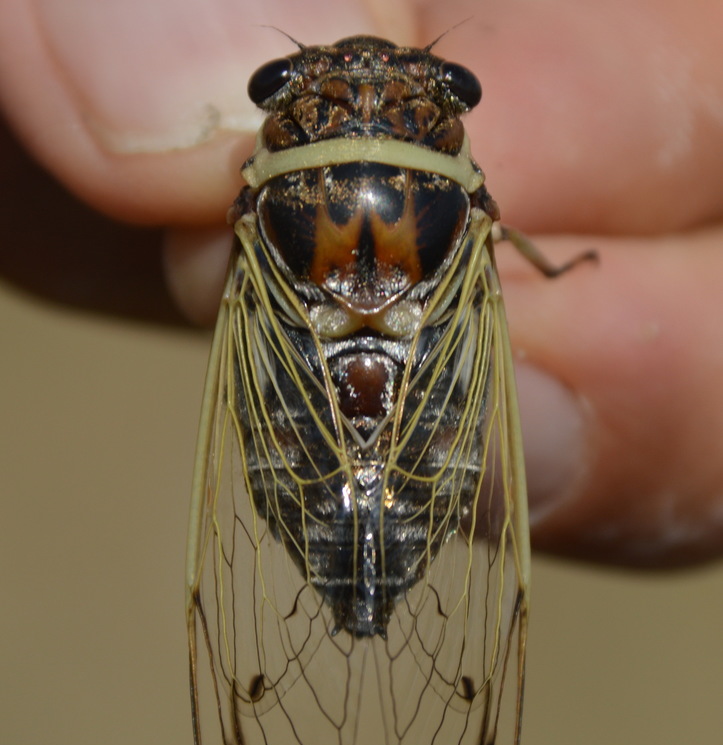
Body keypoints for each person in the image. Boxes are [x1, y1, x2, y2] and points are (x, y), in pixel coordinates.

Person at [2, 0, 722, 567]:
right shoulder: (471, 211)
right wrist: (548, 269)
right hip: (403, 409)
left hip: (306, 416)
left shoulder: (253, 205)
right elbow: (501, 232)